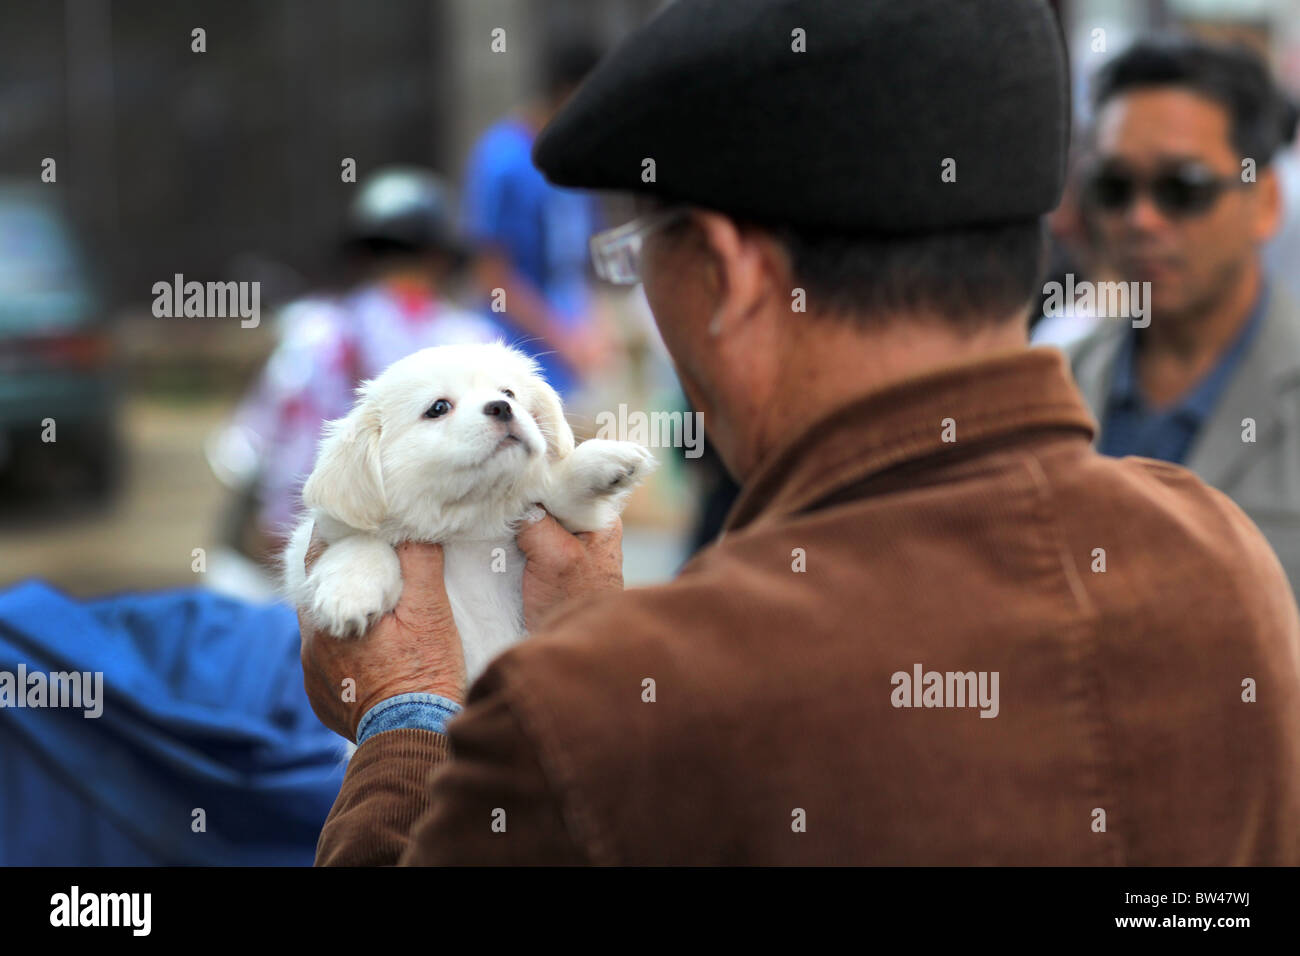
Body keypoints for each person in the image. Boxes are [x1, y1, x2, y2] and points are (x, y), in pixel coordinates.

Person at [302, 0, 1300, 865]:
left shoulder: (584, 716)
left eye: (639, 251)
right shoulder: (1221, 561)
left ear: (728, 272)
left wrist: (410, 711)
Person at [1065, 38, 1300, 592]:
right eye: (1114, 188)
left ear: (1264, 201)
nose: (1141, 219)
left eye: (1183, 188)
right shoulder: (1059, 382)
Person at [229, 166, 501, 548]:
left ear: (362, 256)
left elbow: (249, 447)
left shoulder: (316, 328)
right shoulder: (475, 339)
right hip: (440, 546)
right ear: (439, 258)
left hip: (310, 541)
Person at [460, 38, 610, 397]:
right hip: (514, 365)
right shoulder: (501, 159)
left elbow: (579, 262)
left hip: (574, 365)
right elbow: (490, 276)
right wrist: (563, 339)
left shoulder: (574, 155)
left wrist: (598, 330)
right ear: (567, 92)